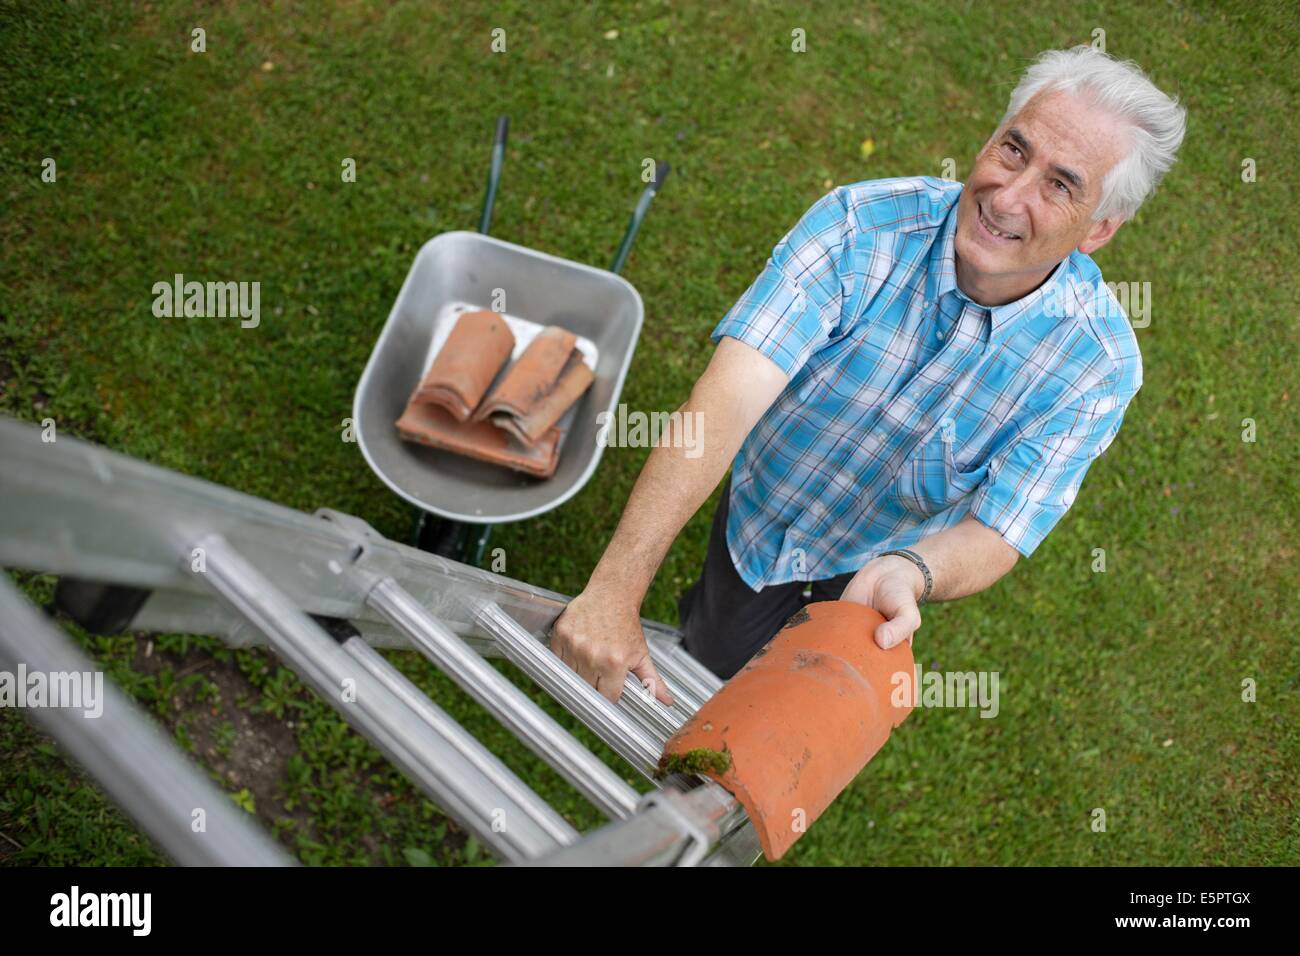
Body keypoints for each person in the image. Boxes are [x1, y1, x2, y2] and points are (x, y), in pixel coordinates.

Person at [551, 45, 1186, 703]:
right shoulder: (860, 226)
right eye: (1013, 150)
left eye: (1060, 185)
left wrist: (910, 572)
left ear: (1100, 229)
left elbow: (1000, 531)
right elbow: (727, 401)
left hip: (878, 561)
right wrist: (614, 590)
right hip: (761, 515)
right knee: (713, 647)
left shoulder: (1096, 369)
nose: (1007, 197)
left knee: (784, 709)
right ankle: (704, 646)